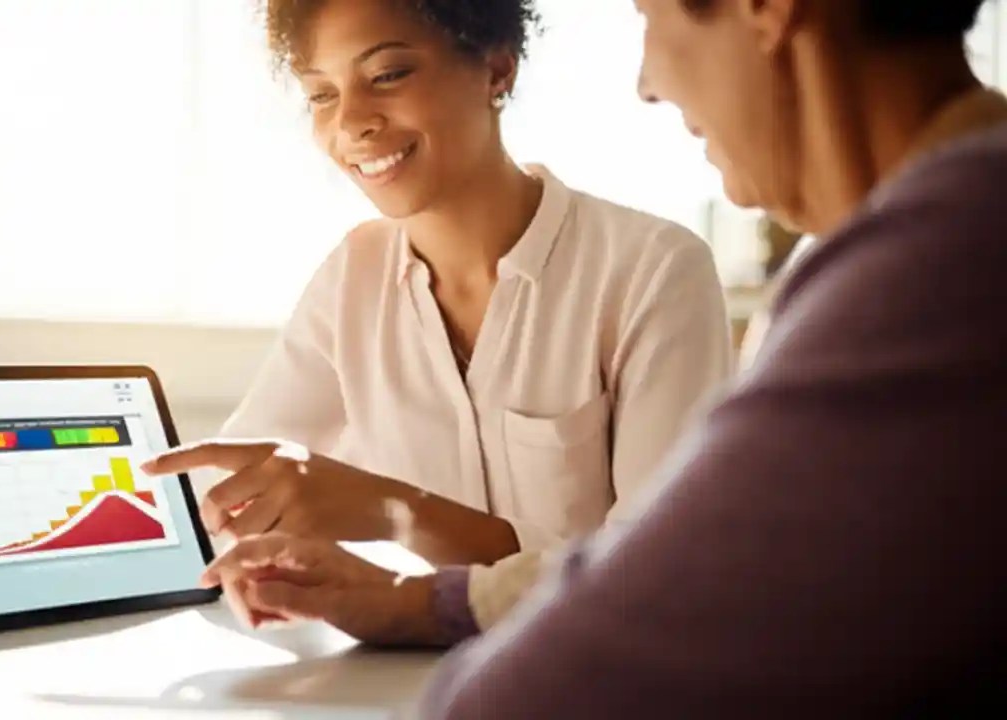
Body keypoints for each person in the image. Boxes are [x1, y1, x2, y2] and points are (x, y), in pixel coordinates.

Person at [192, 0, 1007, 713]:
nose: (648, 81)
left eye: (652, 16)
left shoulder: (932, 271)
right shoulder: (906, 247)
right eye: (322, 93)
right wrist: (406, 600)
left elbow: (647, 609)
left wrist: (398, 532)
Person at [143, 0, 733, 633]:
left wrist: (392, 510)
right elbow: (227, 494)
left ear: (496, 70)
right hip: (390, 682)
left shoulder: (653, 271)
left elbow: (655, 568)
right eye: (320, 95)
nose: (352, 122)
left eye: (389, 74)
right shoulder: (354, 277)